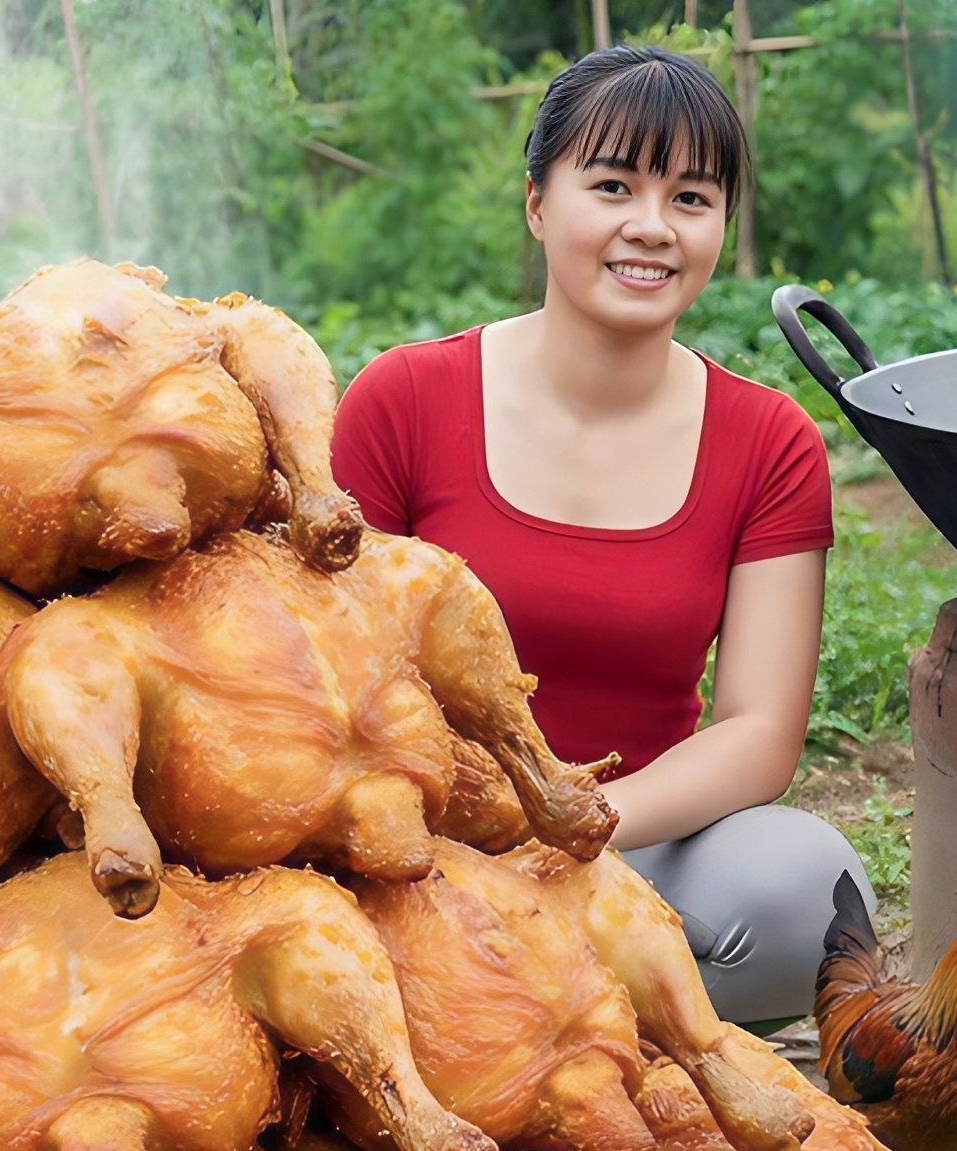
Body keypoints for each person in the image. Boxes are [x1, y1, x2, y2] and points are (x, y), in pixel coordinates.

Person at [331, 44, 869, 1026]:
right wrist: (464, 835)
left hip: (634, 842)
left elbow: (758, 730)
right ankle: (561, 1011)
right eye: (613, 185)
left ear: (723, 226)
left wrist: (576, 830)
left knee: (812, 896)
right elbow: (332, 672)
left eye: (691, 198)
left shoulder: (768, 440)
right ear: (538, 202)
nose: (651, 228)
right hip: (417, 845)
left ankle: (493, 1012)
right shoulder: (403, 401)